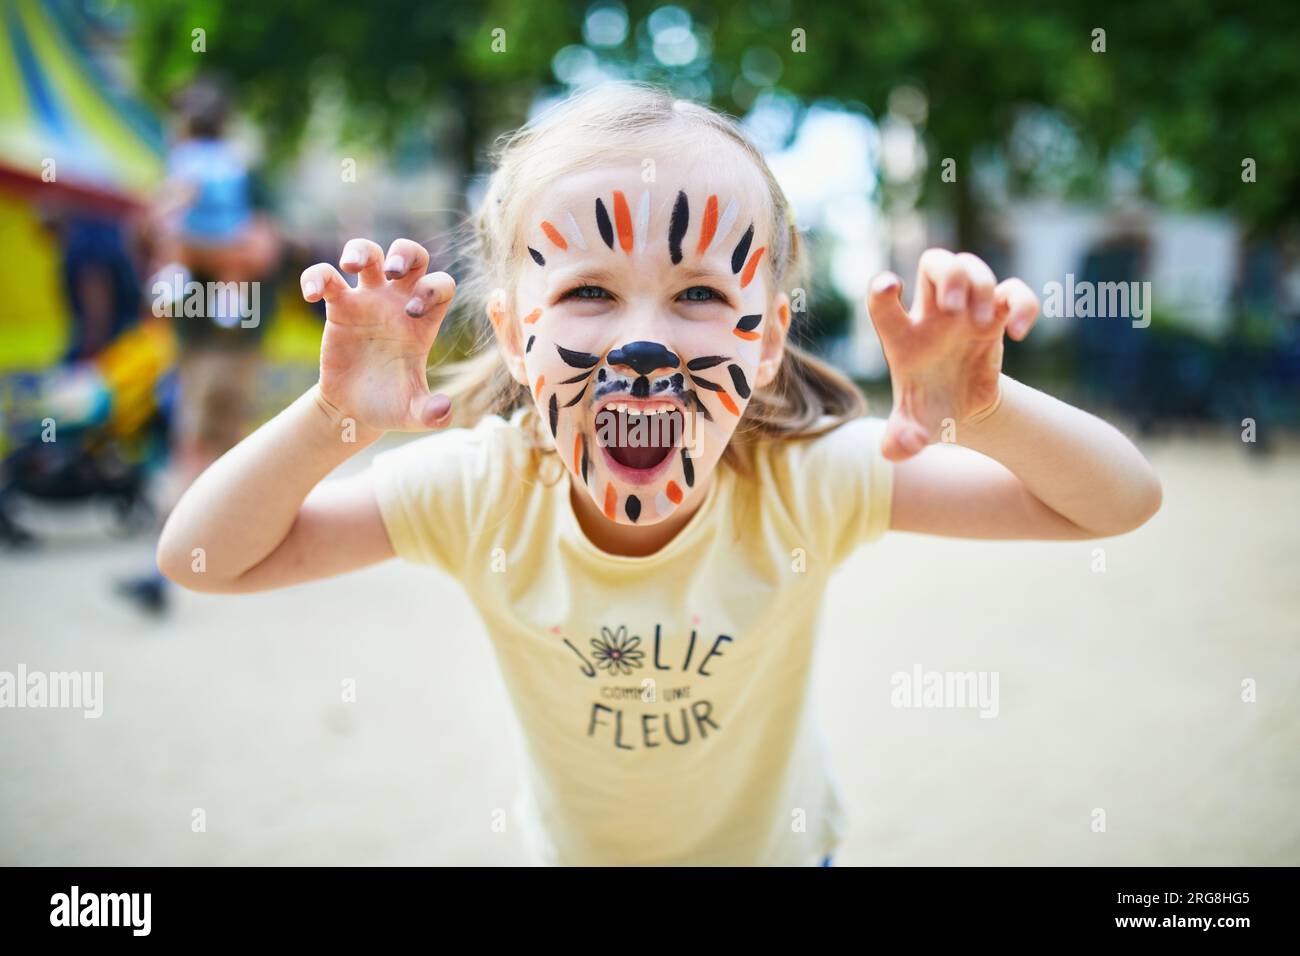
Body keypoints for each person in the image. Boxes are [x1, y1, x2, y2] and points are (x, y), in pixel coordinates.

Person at [156, 84, 1161, 865]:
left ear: (767, 339)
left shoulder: (808, 480)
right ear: (513, 333)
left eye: (695, 293)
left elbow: (1116, 501)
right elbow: (203, 556)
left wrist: (986, 408)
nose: (642, 341)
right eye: (589, 289)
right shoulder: (478, 489)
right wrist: (334, 419)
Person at [120, 76, 280, 613]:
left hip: (226, 340)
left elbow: (256, 252)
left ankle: (167, 568)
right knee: (214, 444)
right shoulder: (216, 169)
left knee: (199, 444)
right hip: (198, 333)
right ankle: (229, 553)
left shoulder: (232, 176)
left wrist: (182, 244)